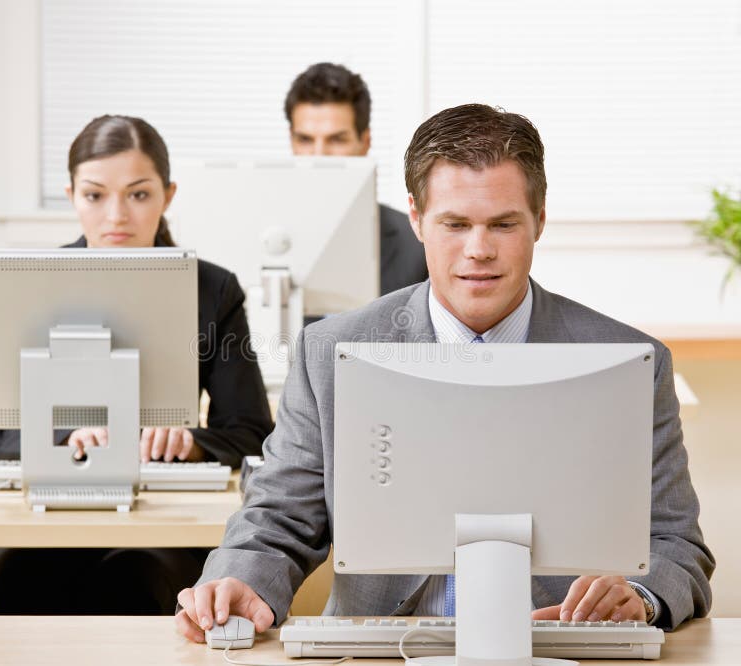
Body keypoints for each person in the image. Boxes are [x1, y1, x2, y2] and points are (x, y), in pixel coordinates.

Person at [175, 103, 714, 640]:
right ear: (416, 219)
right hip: (379, 649)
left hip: (555, 648)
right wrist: (236, 580)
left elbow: (677, 545)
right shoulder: (330, 351)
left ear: (540, 219)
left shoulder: (630, 361)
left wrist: (639, 600)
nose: (478, 250)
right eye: (455, 224)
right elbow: (277, 520)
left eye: (503, 224)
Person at [0, 114, 274, 615]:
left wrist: (191, 443)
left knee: (133, 582)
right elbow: (1, 436)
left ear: (167, 196)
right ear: (72, 195)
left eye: (138, 194)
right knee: (29, 581)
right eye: (95, 195)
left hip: (161, 520)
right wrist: (66, 440)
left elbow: (251, 431)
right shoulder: (26, 282)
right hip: (43, 519)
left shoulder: (212, 289)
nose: (116, 215)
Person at [285, 62, 428, 295]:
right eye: (305, 140)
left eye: (337, 140)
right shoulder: (263, 236)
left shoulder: (416, 244)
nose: (319, 156)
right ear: (291, 141)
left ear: (365, 142)